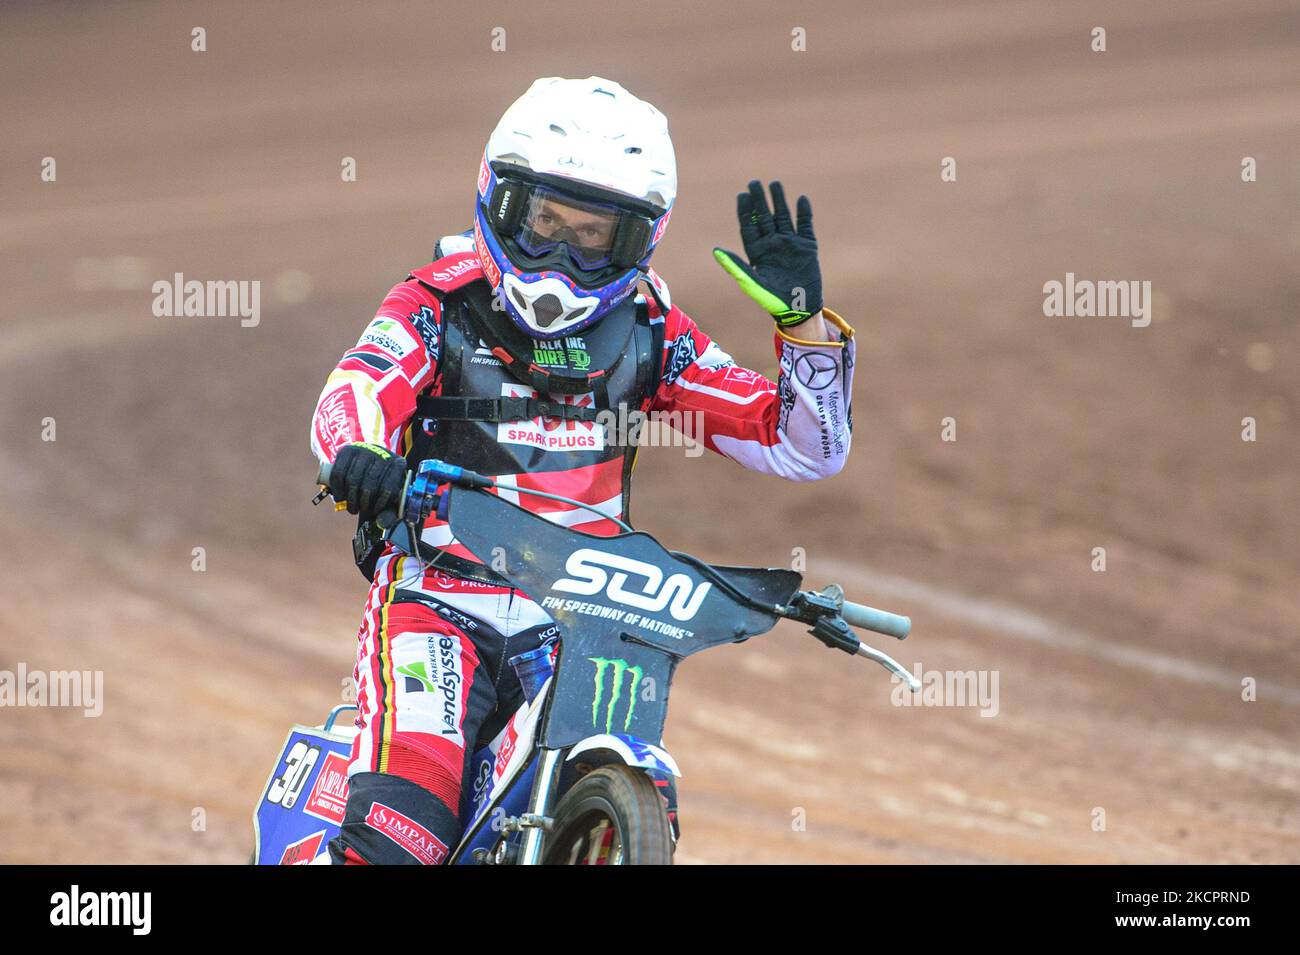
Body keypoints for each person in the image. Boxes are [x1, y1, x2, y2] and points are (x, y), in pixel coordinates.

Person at [310, 76, 856, 864]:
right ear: (501, 204)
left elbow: (803, 444)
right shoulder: (440, 302)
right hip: (436, 597)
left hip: (579, 619)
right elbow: (356, 387)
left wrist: (801, 326)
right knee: (405, 835)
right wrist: (358, 454)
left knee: (646, 790)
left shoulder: (650, 330)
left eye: (592, 236)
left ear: (635, 241)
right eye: (544, 222)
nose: (561, 254)